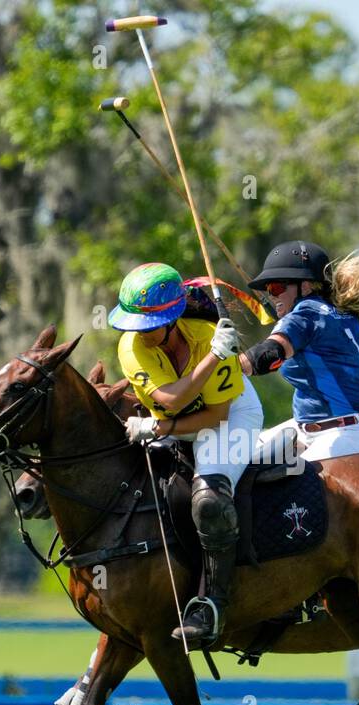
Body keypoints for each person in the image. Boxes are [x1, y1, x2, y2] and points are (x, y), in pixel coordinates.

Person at [110, 262, 263, 646]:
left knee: (209, 499)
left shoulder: (211, 338)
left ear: (172, 320)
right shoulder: (131, 346)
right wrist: (160, 425)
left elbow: (216, 416)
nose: (138, 335)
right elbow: (171, 399)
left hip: (230, 415)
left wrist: (213, 356)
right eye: (133, 325)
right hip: (174, 415)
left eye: (147, 326)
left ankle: (212, 603)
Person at [241, 241, 359, 462]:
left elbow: (267, 356)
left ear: (305, 287)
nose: (272, 296)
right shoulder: (343, 313)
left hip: (347, 433)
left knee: (295, 485)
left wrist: (221, 367)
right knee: (240, 461)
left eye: (277, 288)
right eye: (268, 291)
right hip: (312, 428)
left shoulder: (306, 314)